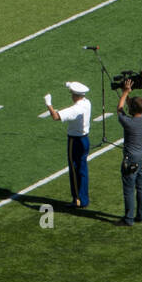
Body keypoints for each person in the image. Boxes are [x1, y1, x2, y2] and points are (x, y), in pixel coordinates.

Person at [45, 80, 92, 208]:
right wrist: (69, 84)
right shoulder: (86, 102)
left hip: (75, 141)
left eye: (72, 93)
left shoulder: (76, 109)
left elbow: (56, 116)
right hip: (84, 139)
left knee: (75, 169)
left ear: (76, 95)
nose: (71, 95)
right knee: (82, 169)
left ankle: (78, 199)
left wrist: (49, 104)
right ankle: (83, 198)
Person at [116, 78, 142, 226]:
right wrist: (128, 94)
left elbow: (120, 110)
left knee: (129, 189)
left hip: (132, 159)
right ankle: (141, 216)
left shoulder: (129, 123)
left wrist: (124, 93)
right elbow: (128, 108)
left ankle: (128, 219)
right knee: (141, 187)